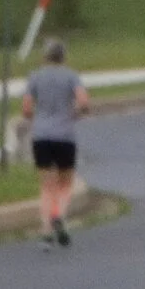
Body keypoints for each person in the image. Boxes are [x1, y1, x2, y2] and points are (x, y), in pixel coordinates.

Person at [20, 39, 91, 247]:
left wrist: (38, 118)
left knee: (46, 186)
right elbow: (84, 103)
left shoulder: (34, 77)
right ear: (64, 57)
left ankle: (46, 231)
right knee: (65, 183)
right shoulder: (71, 76)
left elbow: (25, 109)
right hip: (65, 136)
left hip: (41, 136)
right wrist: (75, 113)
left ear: (44, 56)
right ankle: (58, 214)